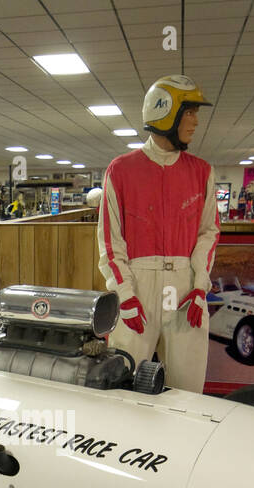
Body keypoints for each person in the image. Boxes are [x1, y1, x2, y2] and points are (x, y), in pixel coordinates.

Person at [98, 75, 220, 393]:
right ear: (166, 113)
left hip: (185, 291)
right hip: (138, 286)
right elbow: (110, 243)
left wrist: (199, 287)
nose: (196, 121)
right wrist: (125, 295)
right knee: (122, 382)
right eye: (189, 111)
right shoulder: (121, 170)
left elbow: (209, 233)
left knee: (188, 388)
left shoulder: (202, 172)